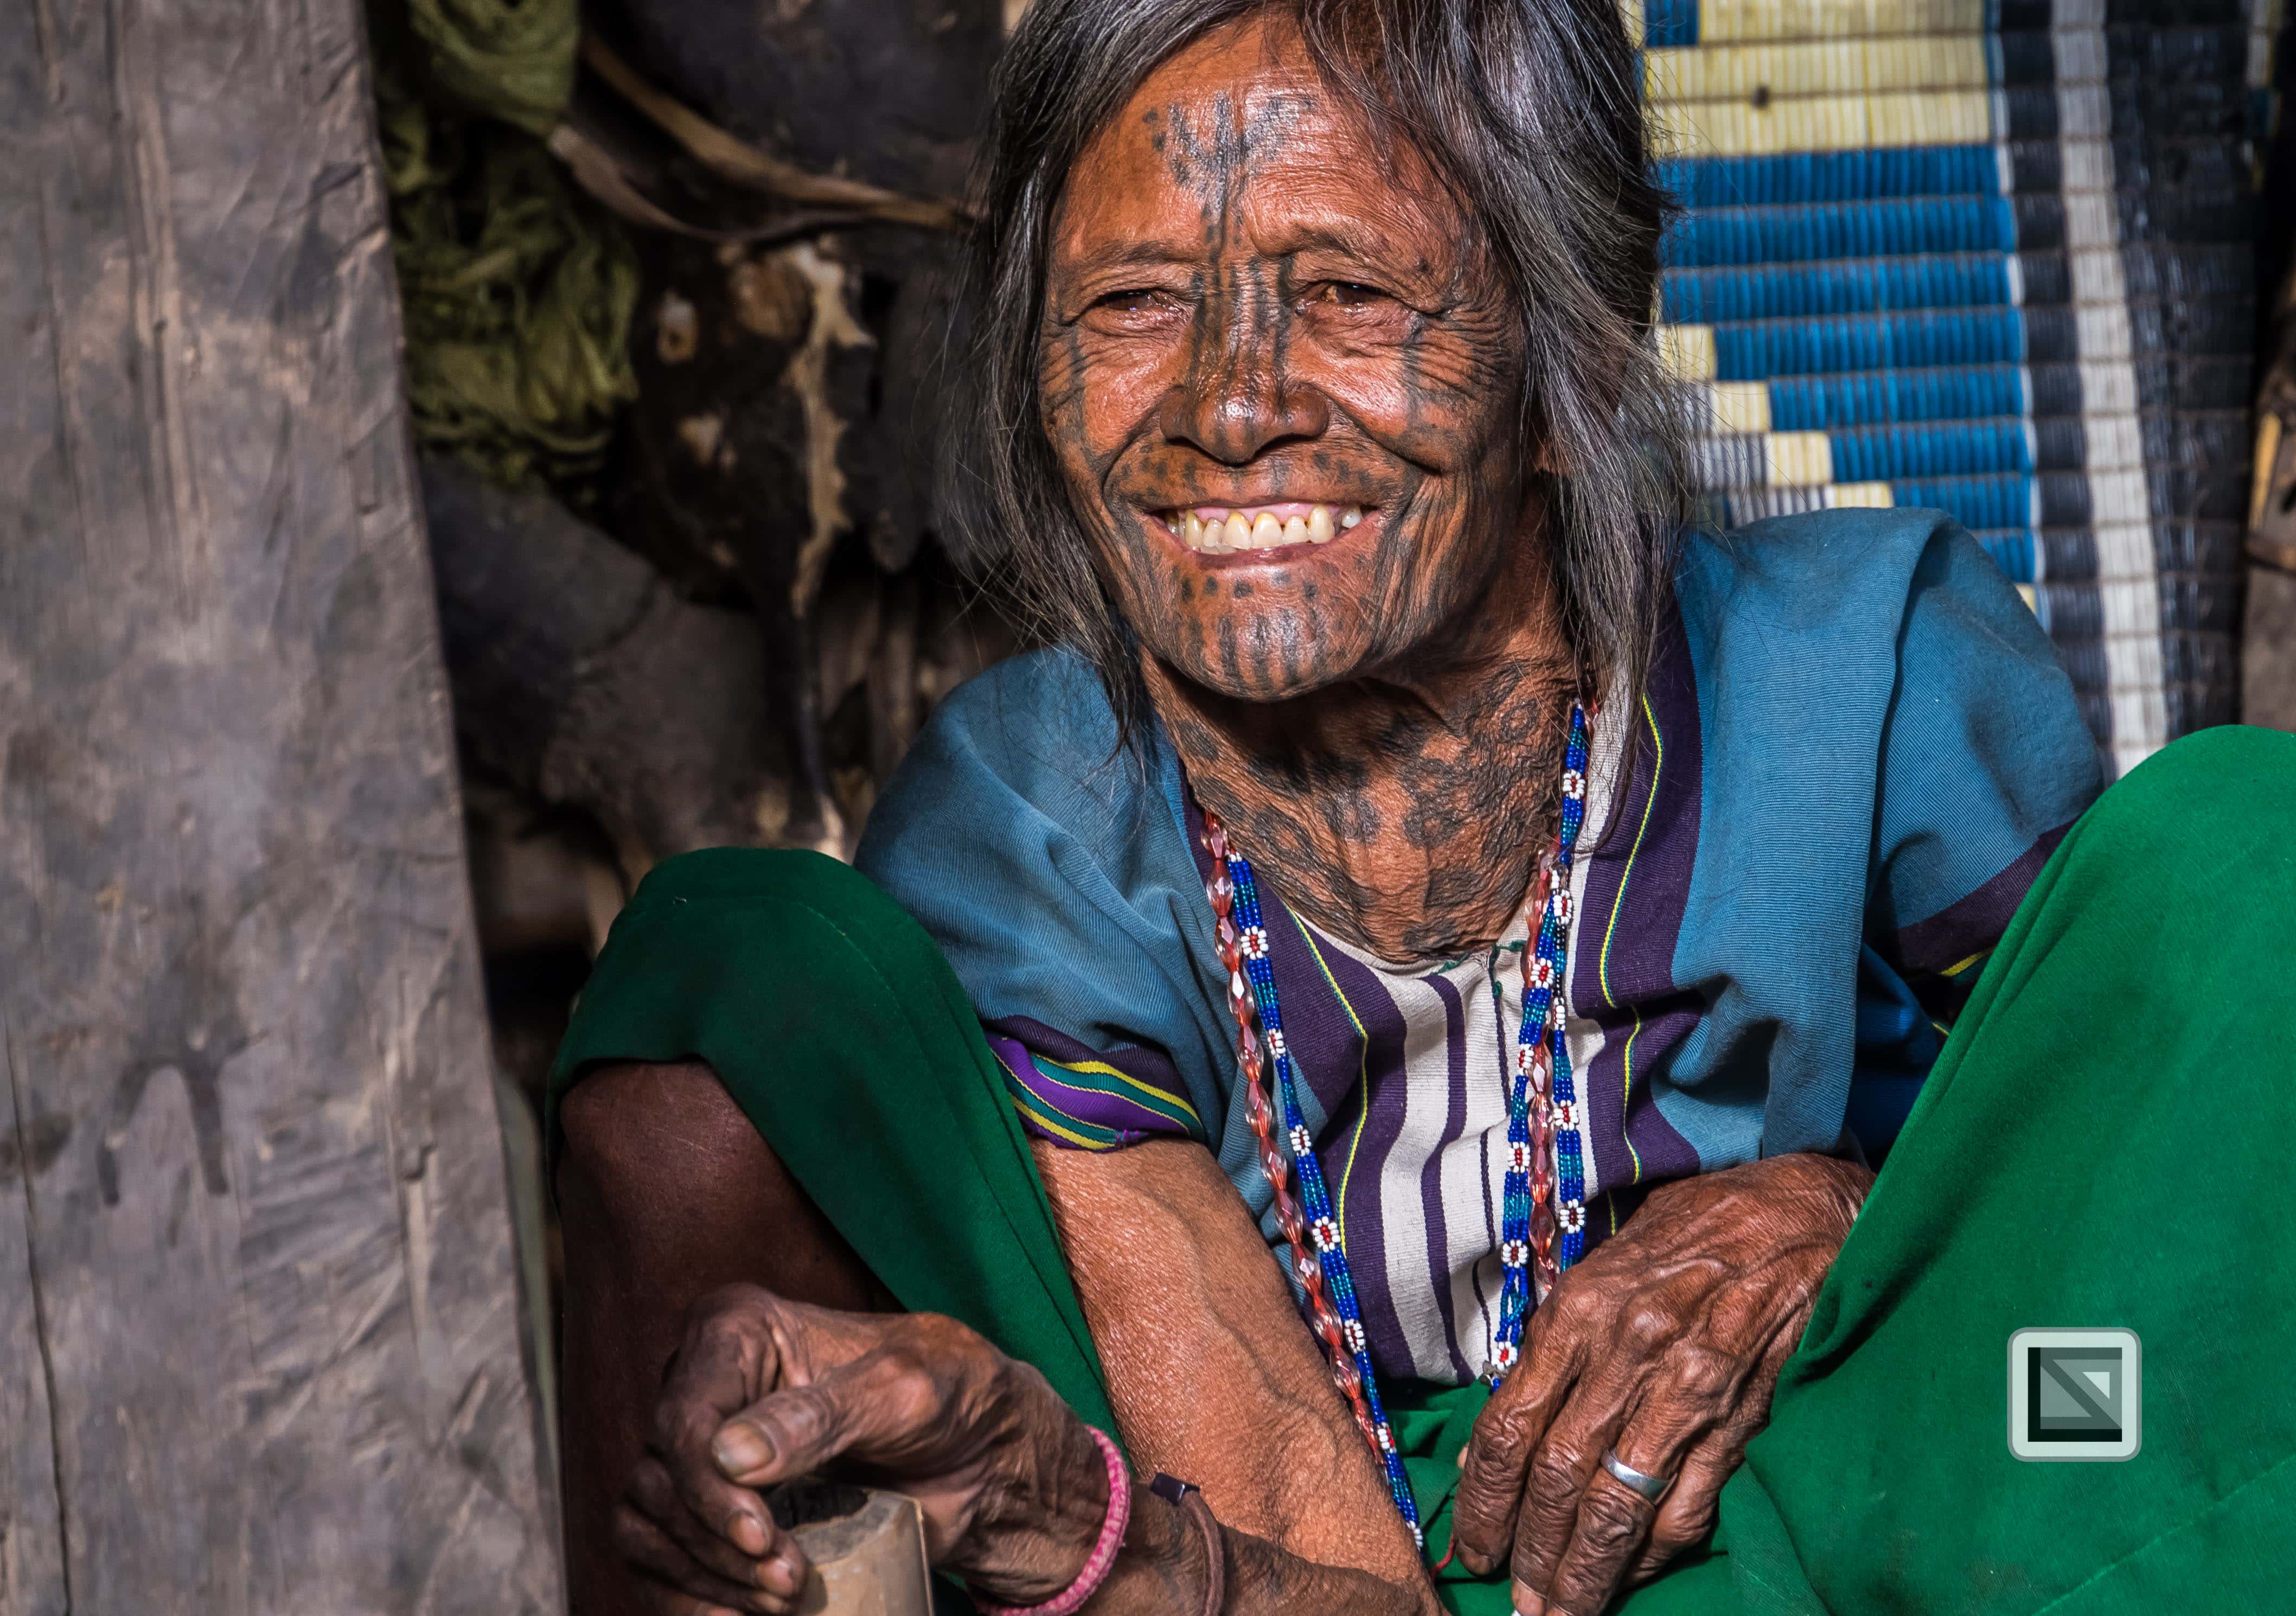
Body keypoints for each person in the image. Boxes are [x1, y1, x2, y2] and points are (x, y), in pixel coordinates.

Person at [549, 1, 2296, 1612]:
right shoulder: (1033, 822)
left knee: (2244, 859)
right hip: (1259, 1557)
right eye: (1133, 303)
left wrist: (1840, 1208)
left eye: (1351, 294)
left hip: (1833, 1510)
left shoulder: (1866, 666)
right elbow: (1307, 1552)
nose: (1229, 408)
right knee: (735, 961)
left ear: (1571, 354)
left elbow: (2098, 1189)